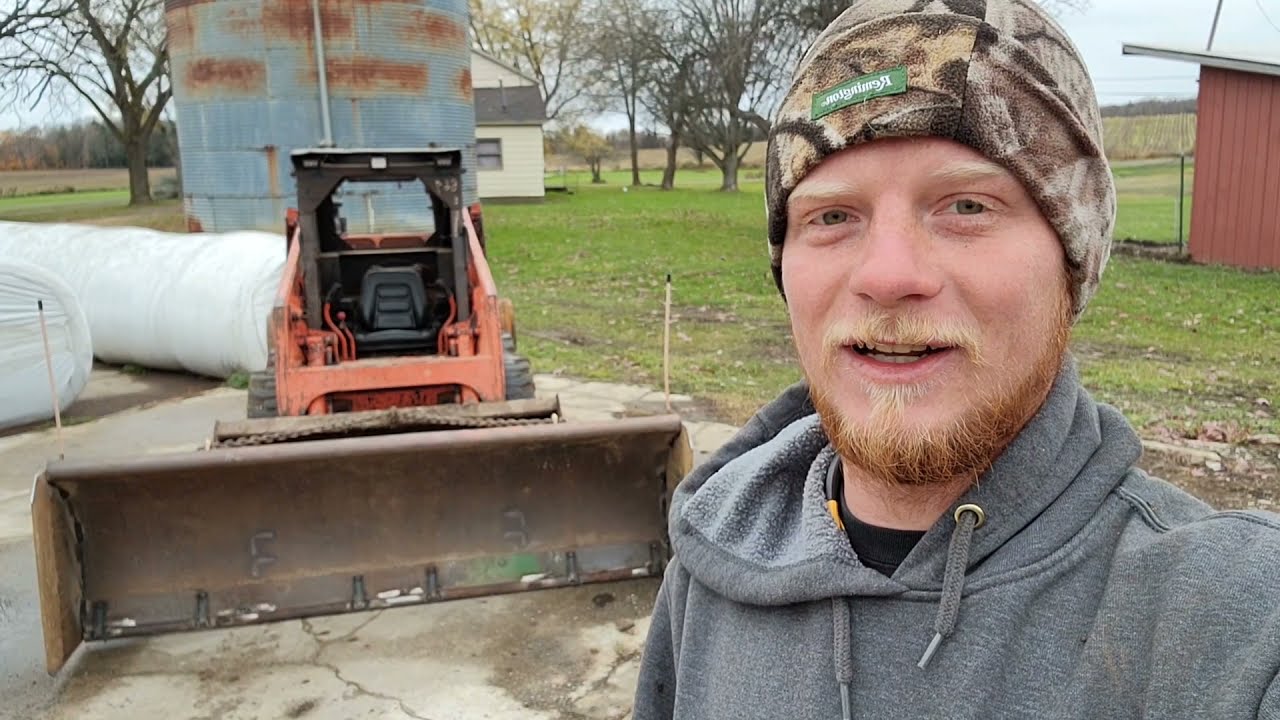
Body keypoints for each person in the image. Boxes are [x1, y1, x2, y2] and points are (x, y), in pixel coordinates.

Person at [632, 1, 1280, 718]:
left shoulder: (1231, 619)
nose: (887, 275)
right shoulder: (714, 553)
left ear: (1074, 259)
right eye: (832, 216)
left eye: (966, 206)